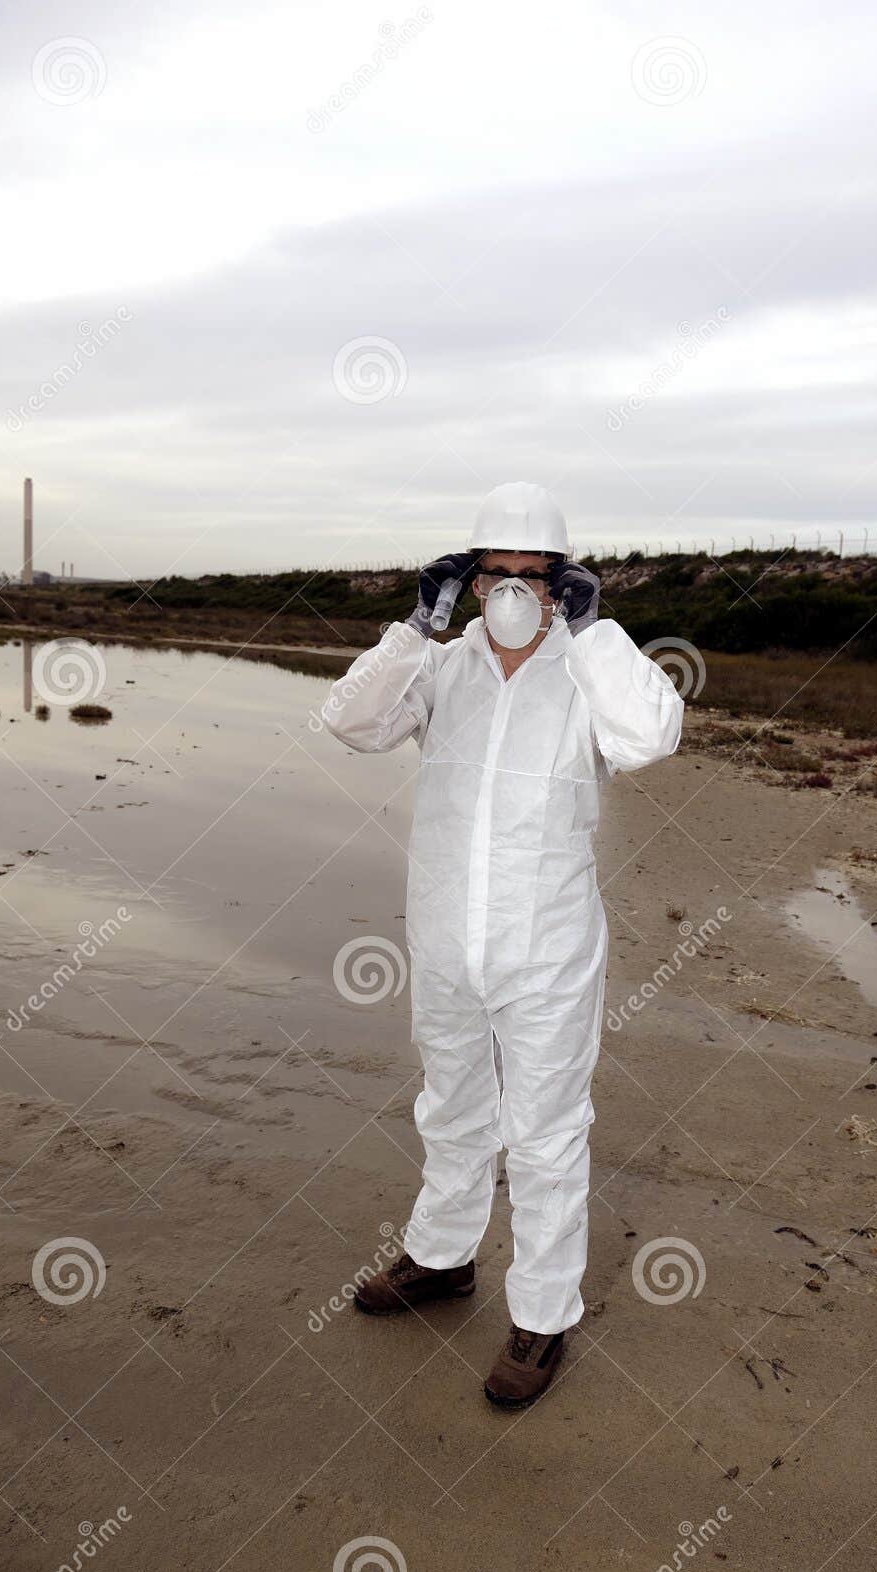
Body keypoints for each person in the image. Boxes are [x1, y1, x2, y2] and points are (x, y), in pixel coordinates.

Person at [321, 483, 683, 1407]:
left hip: (550, 949)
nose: (515, 591)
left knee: (548, 1133)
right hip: (446, 938)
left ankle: (543, 1316)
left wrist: (597, 633)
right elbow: (350, 721)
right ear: (471, 581)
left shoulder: (588, 667)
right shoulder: (442, 671)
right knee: (451, 1106)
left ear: (562, 584)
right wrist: (415, 626)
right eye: (496, 575)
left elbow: (649, 737)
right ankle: (442, 1259)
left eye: (535, 577)